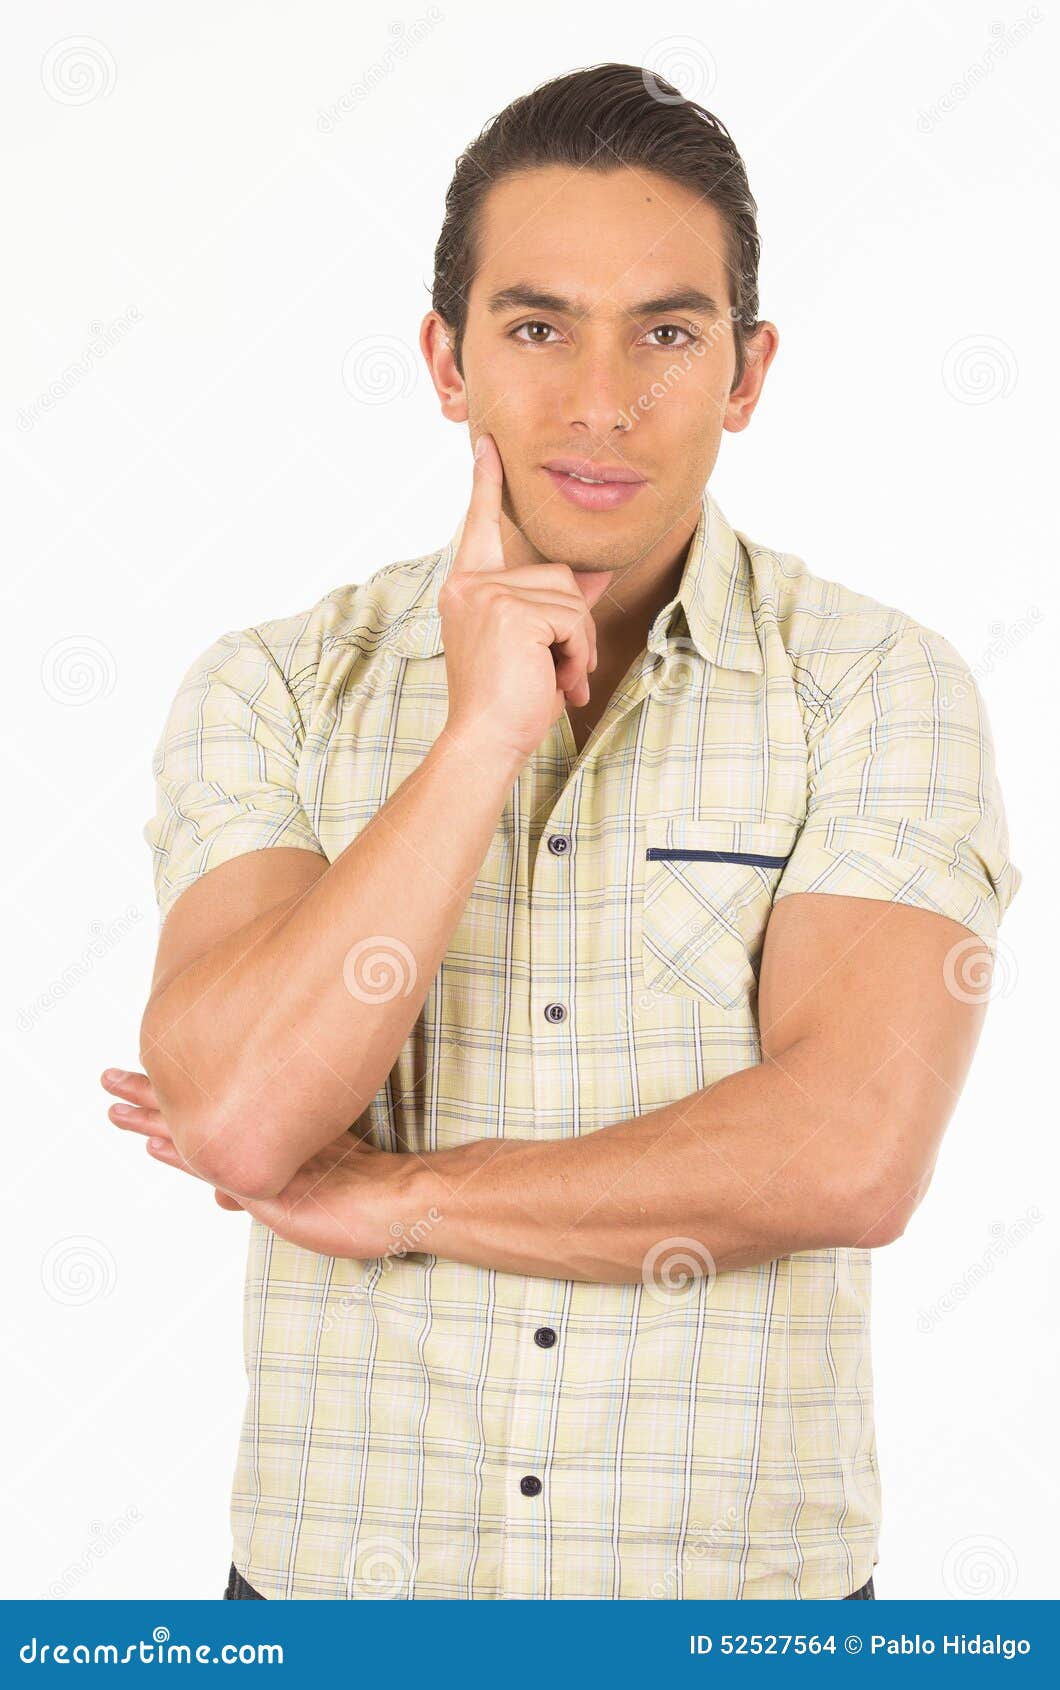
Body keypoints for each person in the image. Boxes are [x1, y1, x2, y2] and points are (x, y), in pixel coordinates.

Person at [102, 63, 1021, 1601]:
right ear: (446, 359)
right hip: (342, 1616)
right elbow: (245, 1118)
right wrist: (476, 740)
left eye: (668, 332)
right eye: (537, 328)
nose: (604, 400)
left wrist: (406, 1199)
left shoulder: (877, 685)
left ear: (748, 371)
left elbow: (851, 1153)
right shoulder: (276, 684)